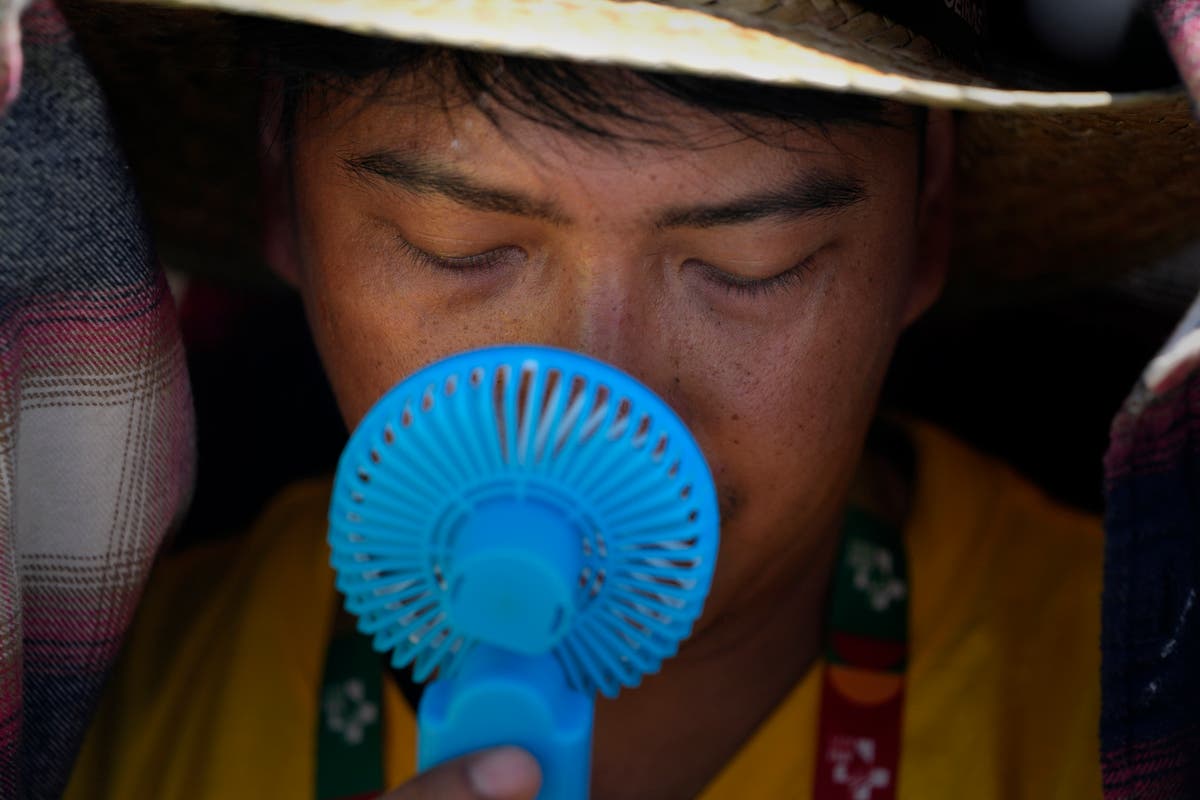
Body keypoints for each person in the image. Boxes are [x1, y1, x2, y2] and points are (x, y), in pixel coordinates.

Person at [40, 2, 1198, 799]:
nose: (603, 403)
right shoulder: (90, 723)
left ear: (925, 221)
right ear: (281, 190)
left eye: (755, 262)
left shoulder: (1147, 708)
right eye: (460, 245)